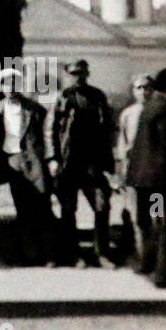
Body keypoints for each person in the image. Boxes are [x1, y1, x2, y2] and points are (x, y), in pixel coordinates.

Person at [127, 66, 166, 289]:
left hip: (146, 181)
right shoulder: (165, 110)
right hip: (161, 183)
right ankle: (165, 276)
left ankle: (148, 265)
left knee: (155, 223)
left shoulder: (150, 106)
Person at [51, 59, 115, 267]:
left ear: (87, 74)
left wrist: (108, 162)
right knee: (69, 209)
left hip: (92, 163)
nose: (78, 77)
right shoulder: (62, 97)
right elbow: (49, 130)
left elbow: (108, 129)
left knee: (101, 206)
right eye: (74, 73)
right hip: (69, 162)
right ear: (68, 75)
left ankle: (101, 253)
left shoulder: (97, 96)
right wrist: (53, 158)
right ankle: (73, 254)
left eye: (81, 73)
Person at [0, 67, 54, 266]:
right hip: (12, 161)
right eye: (5, 84)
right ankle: (29, 255)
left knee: (42, 206)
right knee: (22, 209)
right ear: (0, 87)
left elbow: (47, 135)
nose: (9, 88)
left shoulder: (34, 108)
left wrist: (48, 159)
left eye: (13, 83)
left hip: (33, 160)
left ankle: (50, 255)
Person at [113, 73, 152, 266]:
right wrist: (121, 175)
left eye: (147, 87)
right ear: (133, 91)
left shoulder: (159, 112)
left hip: (156, 177)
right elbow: (122, 146)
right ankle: (139, 254)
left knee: (156, 213)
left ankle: (154, 256)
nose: (144, 91)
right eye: (140, 88)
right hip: (135, 174)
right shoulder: (128, 114)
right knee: (135, 213)